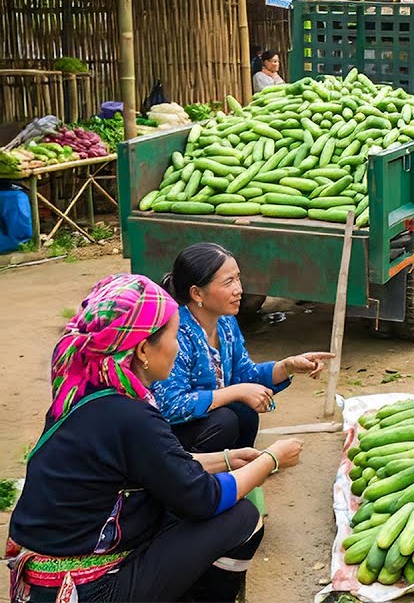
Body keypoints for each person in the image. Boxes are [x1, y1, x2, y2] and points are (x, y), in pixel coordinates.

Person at [6, 274, 305, 602]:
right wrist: (271, 460)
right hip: (87, 589)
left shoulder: (83, 393)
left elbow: (158, 465)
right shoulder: (131, 416)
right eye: (174, 336)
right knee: (241, 516)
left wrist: (228, 459)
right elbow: (204, 499)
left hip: (43, 579)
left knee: (176, 502)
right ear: (144, 349)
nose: (177, 347)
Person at [152, 244, 331, 453]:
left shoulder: (226, 322)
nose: (239, 289)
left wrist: (288, 366)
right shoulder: (175, 334)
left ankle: (237, 466)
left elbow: (244, 374)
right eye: (228, 282)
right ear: (197, 293)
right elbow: (170, 406)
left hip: (206, 421)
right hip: (167, 434)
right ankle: (192, 474)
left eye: (238, 278)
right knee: (225, 419)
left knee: (244, 412)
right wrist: (234, 393)